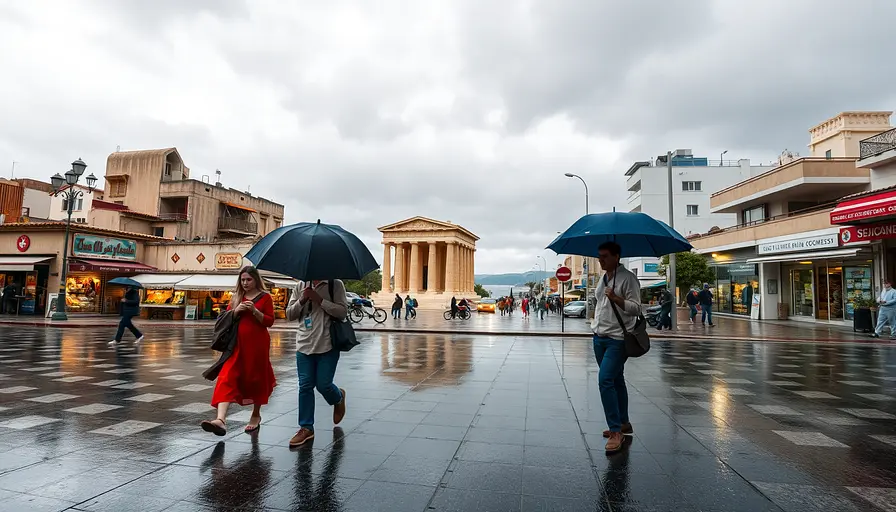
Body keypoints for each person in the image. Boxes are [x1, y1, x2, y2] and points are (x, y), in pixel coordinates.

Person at [201, 266, 276, 436]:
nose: (245, 283)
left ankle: (256, 415)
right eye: (242, 280)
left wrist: (255, 311)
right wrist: (236, 311)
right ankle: (220, 420)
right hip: (235, 346)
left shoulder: (265, 297)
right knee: (226, 377)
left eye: (248, 279)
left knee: (256, 377)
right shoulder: (237, 297)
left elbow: (269, 321)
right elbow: (225, 319)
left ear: (256, 279)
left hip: (257, 345)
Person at [286, 277, 348, 447]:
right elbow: (289, 314)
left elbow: (342, 312)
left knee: (323, 385)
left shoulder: (335, 285)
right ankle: (306, 427)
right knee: (305, 386)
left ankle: (338, 397)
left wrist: (320, 300)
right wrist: (303, 299)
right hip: (304, 344)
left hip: (328, 343)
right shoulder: (300, 286)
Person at [592, 241, 641, 454]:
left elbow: (636, 308)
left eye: (604, 256)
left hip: (618, 339)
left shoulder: (628, 279)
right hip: (599, 337)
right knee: (616, 379)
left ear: (616, 256)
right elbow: (599, 304)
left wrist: (616, 299)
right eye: (599, 256)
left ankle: (615, 432)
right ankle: (623, 422)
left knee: (605, 380)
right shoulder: (604, 278)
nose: (600, 260)